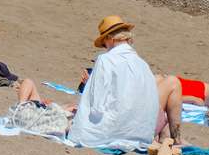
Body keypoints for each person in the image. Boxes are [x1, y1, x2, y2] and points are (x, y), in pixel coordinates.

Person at [65, 16, 159, 147]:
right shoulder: (143, 65)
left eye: (104, 43)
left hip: (112, 132)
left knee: (72, 123)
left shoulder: (106, 60)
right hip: (142, 134)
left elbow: (97, 104)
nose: (105, 47)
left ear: (110, 38)